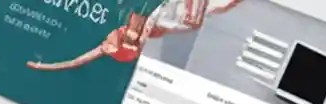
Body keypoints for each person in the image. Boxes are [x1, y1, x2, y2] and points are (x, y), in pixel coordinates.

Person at [27, 0, 244, 72]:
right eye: (109, 40)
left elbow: (77, 60)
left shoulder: (124, 10)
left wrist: (44, 66)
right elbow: (78, 60)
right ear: (129, 37)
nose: (106, 38)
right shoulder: (169, 18)